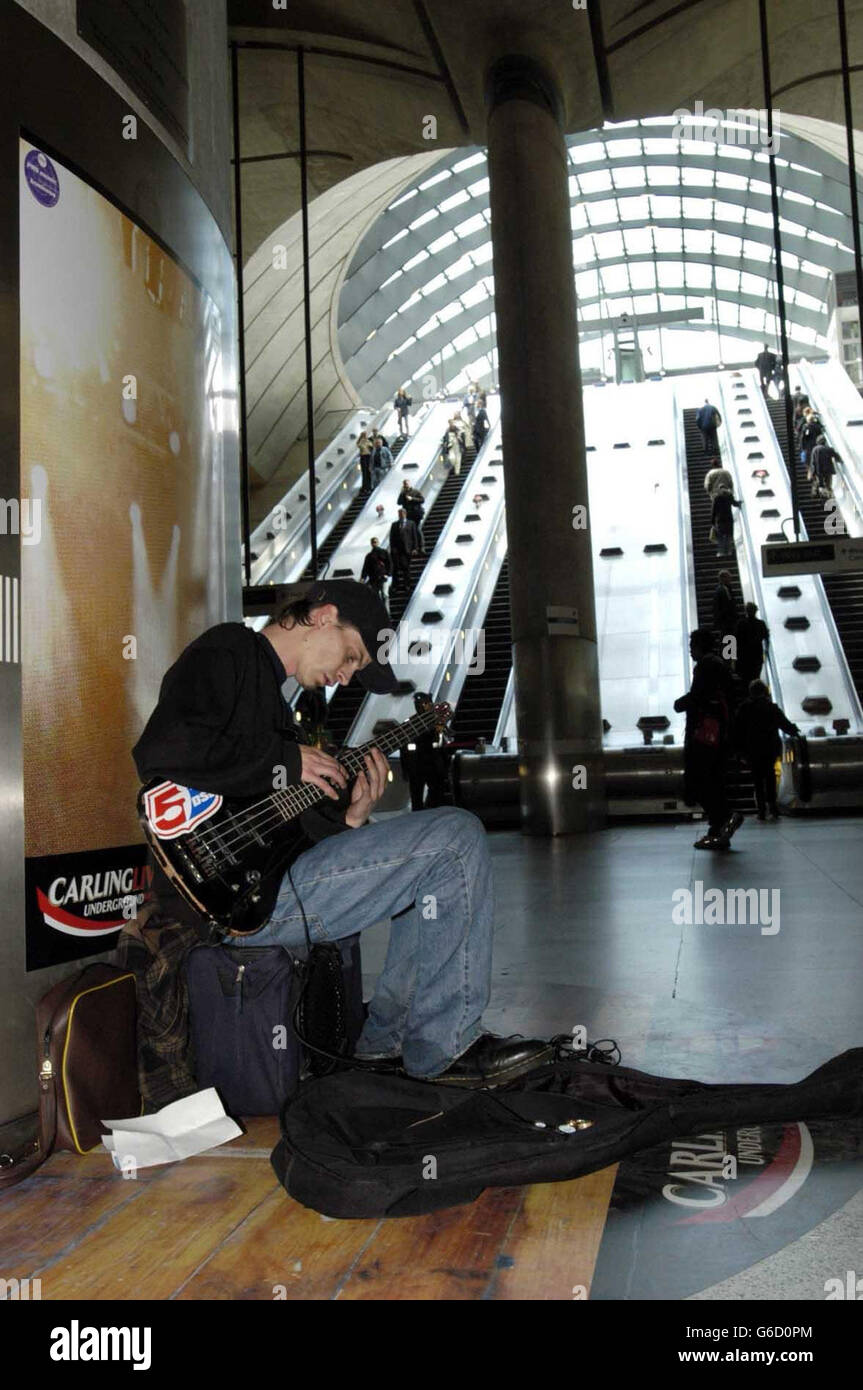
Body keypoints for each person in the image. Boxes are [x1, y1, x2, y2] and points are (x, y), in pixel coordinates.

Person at [131, 579, 553, 1085]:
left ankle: (386, 1043)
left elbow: (275, 834)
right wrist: (283, 761)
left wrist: (351, 819)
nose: (347, 676)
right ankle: (443, 1049)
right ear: (324, 615)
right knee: (455, 838)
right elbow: (161, 752)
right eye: (351, 656)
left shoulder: (274, 704)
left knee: (438, 854)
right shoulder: (228, 650)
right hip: (226, 895)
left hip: (261, 889)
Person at [674, 627, 742, 850]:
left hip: (705, 736)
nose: (691, 652)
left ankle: (726, 816)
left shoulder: (706, 666)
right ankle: (717, 832)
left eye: (692, 647)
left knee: (698, 781)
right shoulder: (722, 666)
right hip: (720, 734)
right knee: (713, 781)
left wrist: (680, 704)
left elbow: (698, 697)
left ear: (699, 646)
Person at [735, 680, 800, 821]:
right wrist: (794, 731)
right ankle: (773, 806)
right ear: (765, 691)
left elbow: (738, 731)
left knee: (757, 779)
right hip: (769, 747)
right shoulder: (771, 707)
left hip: (752, 748)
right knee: (770, 776)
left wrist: (739, 750)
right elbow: (784, 724)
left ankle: (761, 810)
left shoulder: (744, 708)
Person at [400, 691, 448, 811]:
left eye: (424, 703)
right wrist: (405, 768)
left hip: (433, 763)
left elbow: (443, 743)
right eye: (419, 704)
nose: (422, 706)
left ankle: (430, 810)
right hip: (416, 764)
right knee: (417, 795)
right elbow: (404, 748)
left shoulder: (436, 722)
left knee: (436, 791)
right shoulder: (410, 723)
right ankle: (421, 814)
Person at [734, 601, 770, 686]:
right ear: (755, 611)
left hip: (744, 656)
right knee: (755, 676)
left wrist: (733, 657)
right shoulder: (761, 624)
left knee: (745, 679)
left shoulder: (741, 623)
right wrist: (766, 650)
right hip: (756, 655)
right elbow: (766, 638)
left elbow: (735, 640)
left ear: (746, 611)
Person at [389, 507, 419, 587]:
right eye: (399, 514)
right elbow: (392, 538)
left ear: (405, 514)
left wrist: (415, 548)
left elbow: (414, 536)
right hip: (397, 550)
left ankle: (407, 584)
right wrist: (392, 548)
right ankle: (395, 585)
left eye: (401, 513)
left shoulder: (411, 523)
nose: (400, 515)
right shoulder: (394, 524)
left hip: (407, 549)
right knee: (396, 567)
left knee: (405, 566)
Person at [361, 537, 391, 612]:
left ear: (378, 542)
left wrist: (388, 574)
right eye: (373, 542)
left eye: (375, 542)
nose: (374, 543)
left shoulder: (384, 552)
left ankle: (387, 613)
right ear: (371, 544)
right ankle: (381, 613)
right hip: (373, 579)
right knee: (377, 596)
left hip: (383, 577)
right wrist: (363, 577)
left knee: (385, 595)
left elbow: (389, 563)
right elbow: (366, 567)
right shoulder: (369, 556)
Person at [712, 486, 742, 558]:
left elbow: (714, 510)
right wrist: (739, 503)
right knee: (728, 536)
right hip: (728, 519)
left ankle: (721, 552)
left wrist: (712, 521)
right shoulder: (729, 496)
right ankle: (728, 551)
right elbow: (734, 503)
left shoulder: (717, 498)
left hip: (720, 520)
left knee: (721, 537)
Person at [712, 570, 739, 649]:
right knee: (729, 639)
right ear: (723, 578)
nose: (730, 580)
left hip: (725, 621)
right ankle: (728, 657)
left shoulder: (721, 589)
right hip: (727, 621)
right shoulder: (723, 590)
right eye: (728, 578)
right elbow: (728, 605)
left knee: (727, 639)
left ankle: (727, 657)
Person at [397, 482, 426, 553]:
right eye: (404, 484)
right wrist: (401, 494)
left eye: (406, 484)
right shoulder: (403, 493)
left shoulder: (415, 491)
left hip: (416, 514)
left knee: (417, 529)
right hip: (408, 515)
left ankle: (421, 546)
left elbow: (422, 500)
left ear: (409, 484)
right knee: (412, 530)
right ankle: (414, 547)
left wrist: (412, 499)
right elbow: (398, 502)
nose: (405, 486)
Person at [810, 434, 839, 498]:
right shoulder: (828, 449)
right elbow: (836, 456)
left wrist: (812, 472)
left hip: (818, 470)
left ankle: (819, 494)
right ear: (824, 441)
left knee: (820, 484)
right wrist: (840, 460)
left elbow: (813, 462)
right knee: (828, 484)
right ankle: (829, 495)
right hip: (828, 470)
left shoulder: (814, 449)